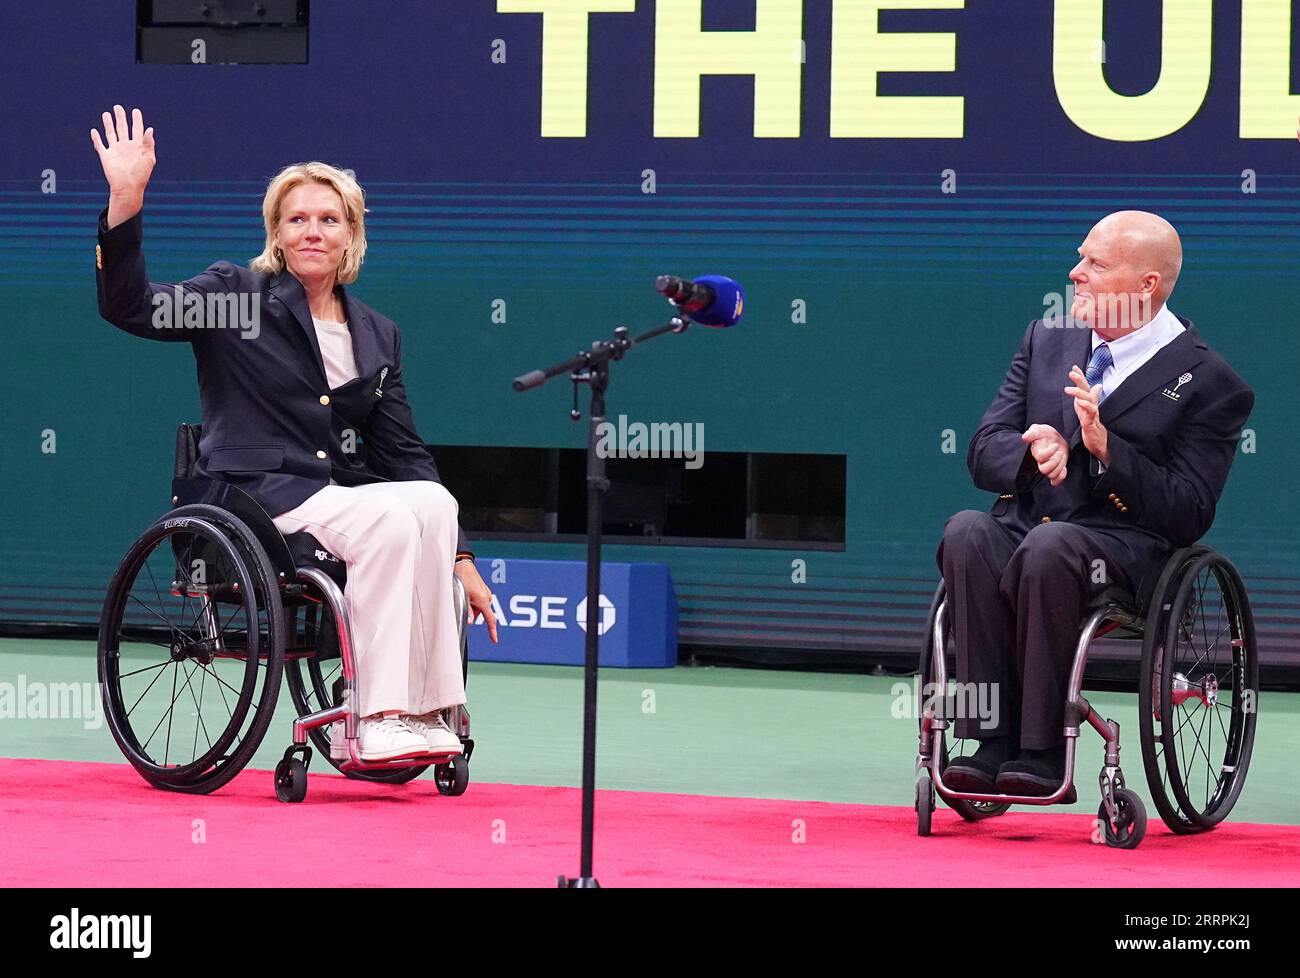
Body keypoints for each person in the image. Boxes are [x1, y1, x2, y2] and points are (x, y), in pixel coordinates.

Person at [91, 105, 499, 763]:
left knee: (435, 504)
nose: (313, 230)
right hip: (254, 496)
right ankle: (373, 716)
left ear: (351, 235)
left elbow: (402, 453)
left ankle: (426, 714)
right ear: (277, 234)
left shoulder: (376, 333)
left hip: (335, 497)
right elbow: (130, 306)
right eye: (297, 219)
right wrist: (125, 202)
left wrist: (463, 560)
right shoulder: (235, 295)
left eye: (328, 219)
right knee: (391, 522)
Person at [937, 210, 1254, 798]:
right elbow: (984, 448)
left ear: (1146, 285)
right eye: (1081, 257)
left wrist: (1107, 450)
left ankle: (1042, 750)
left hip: (1123, 551)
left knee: (1050, 547)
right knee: (966, 532)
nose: (1075, 273)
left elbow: (1189, 509)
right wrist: (1038, 453)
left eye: (1095, 265)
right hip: (1032, 524)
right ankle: (989, 740)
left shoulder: (1211, 382)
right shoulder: (1046, 337)